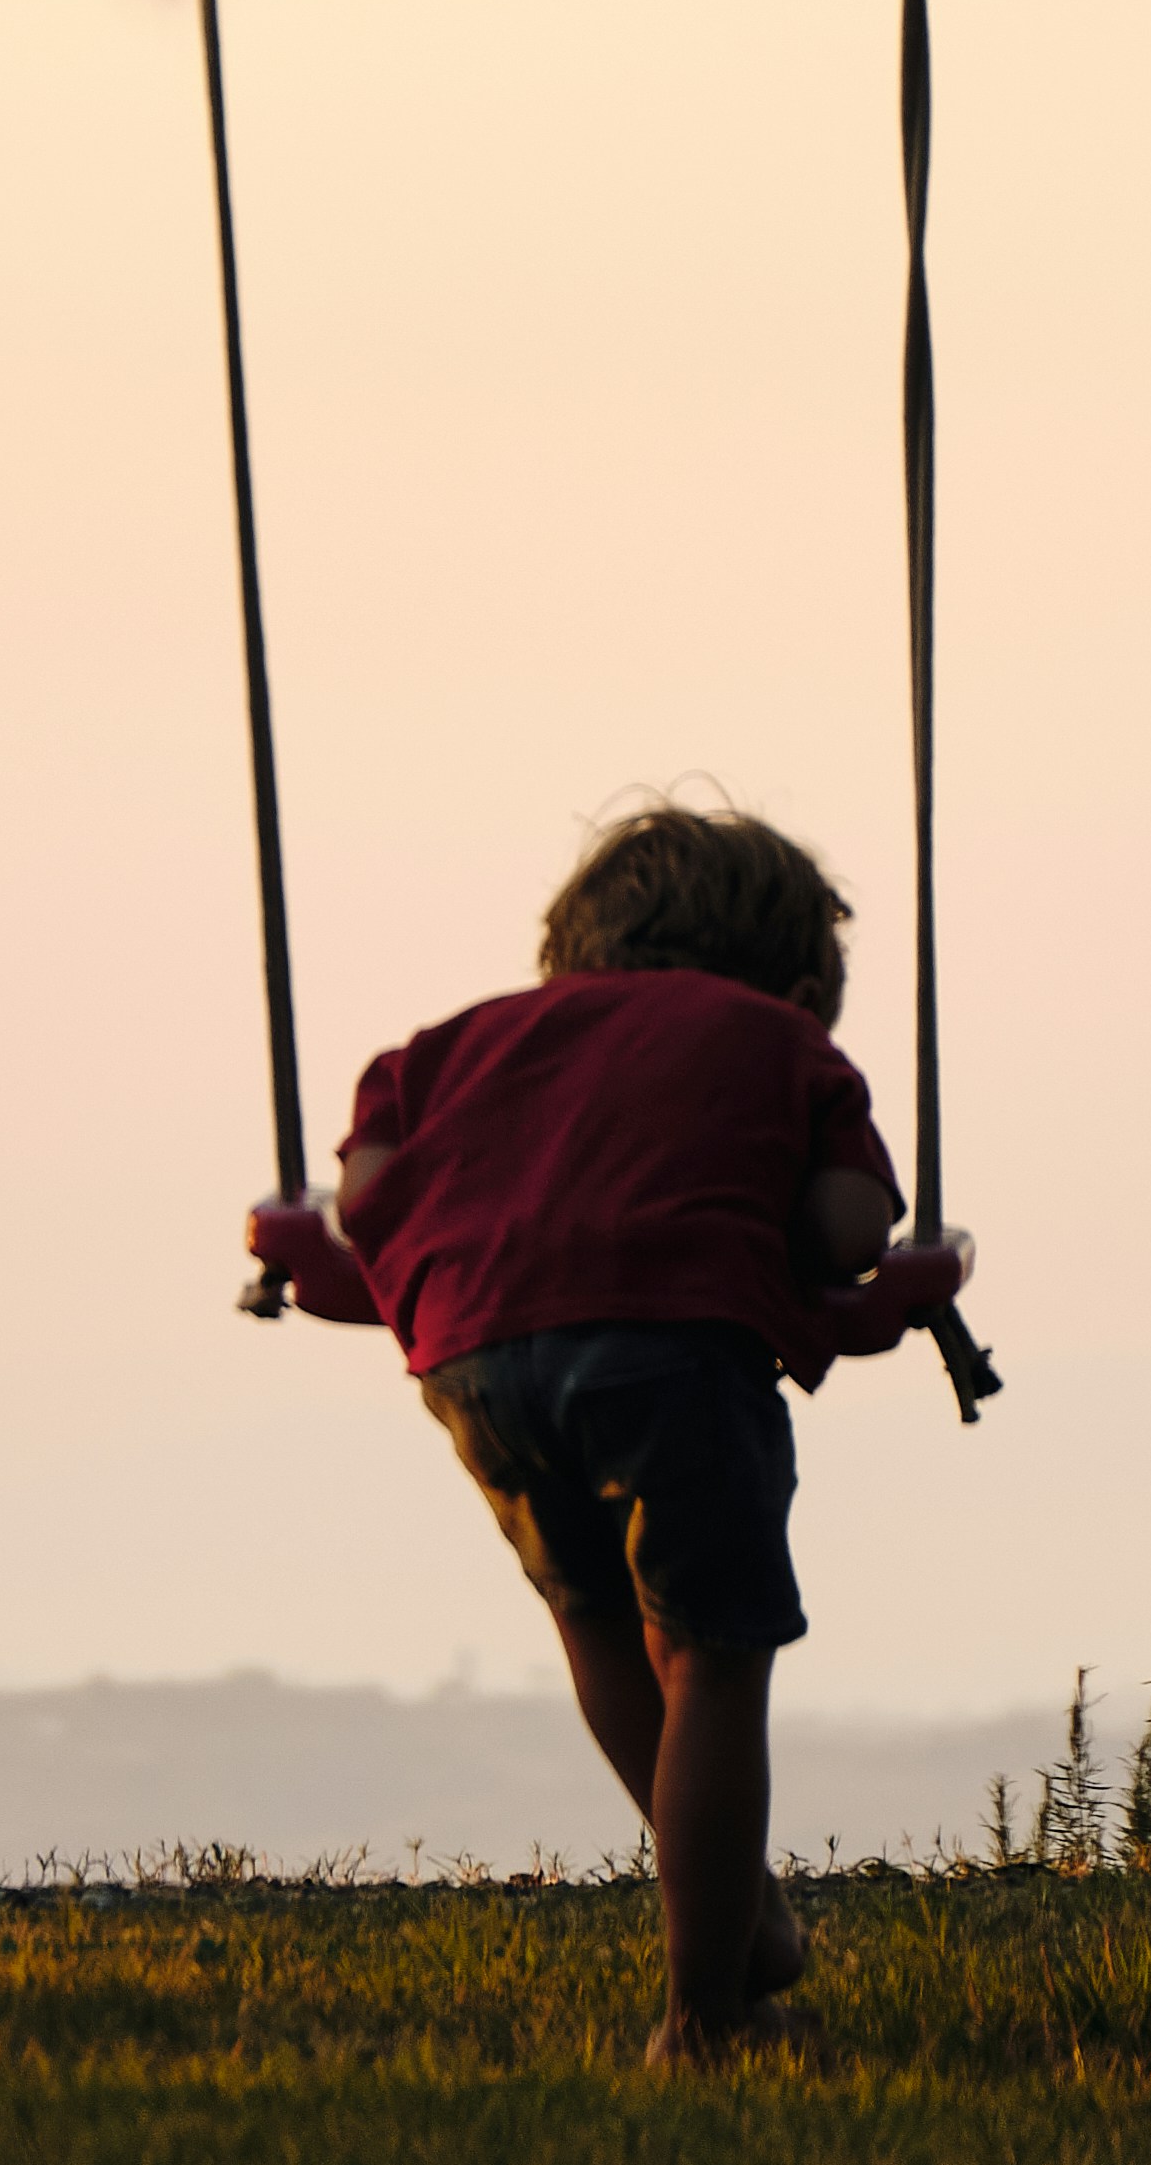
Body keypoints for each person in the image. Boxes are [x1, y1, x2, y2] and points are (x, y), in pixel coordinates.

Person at [244, 798, 971, 2069]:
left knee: (597, 1621)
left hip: (478, 1367)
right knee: (710, 1661)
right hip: (674, 1356)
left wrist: (305, 1232)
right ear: (799, 983)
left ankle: (743, 1918)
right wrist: (907, 1266)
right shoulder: (777, 1043)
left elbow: (365, 1208)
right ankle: (705, 2020)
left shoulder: (445, 1049)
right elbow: (841, 1240)